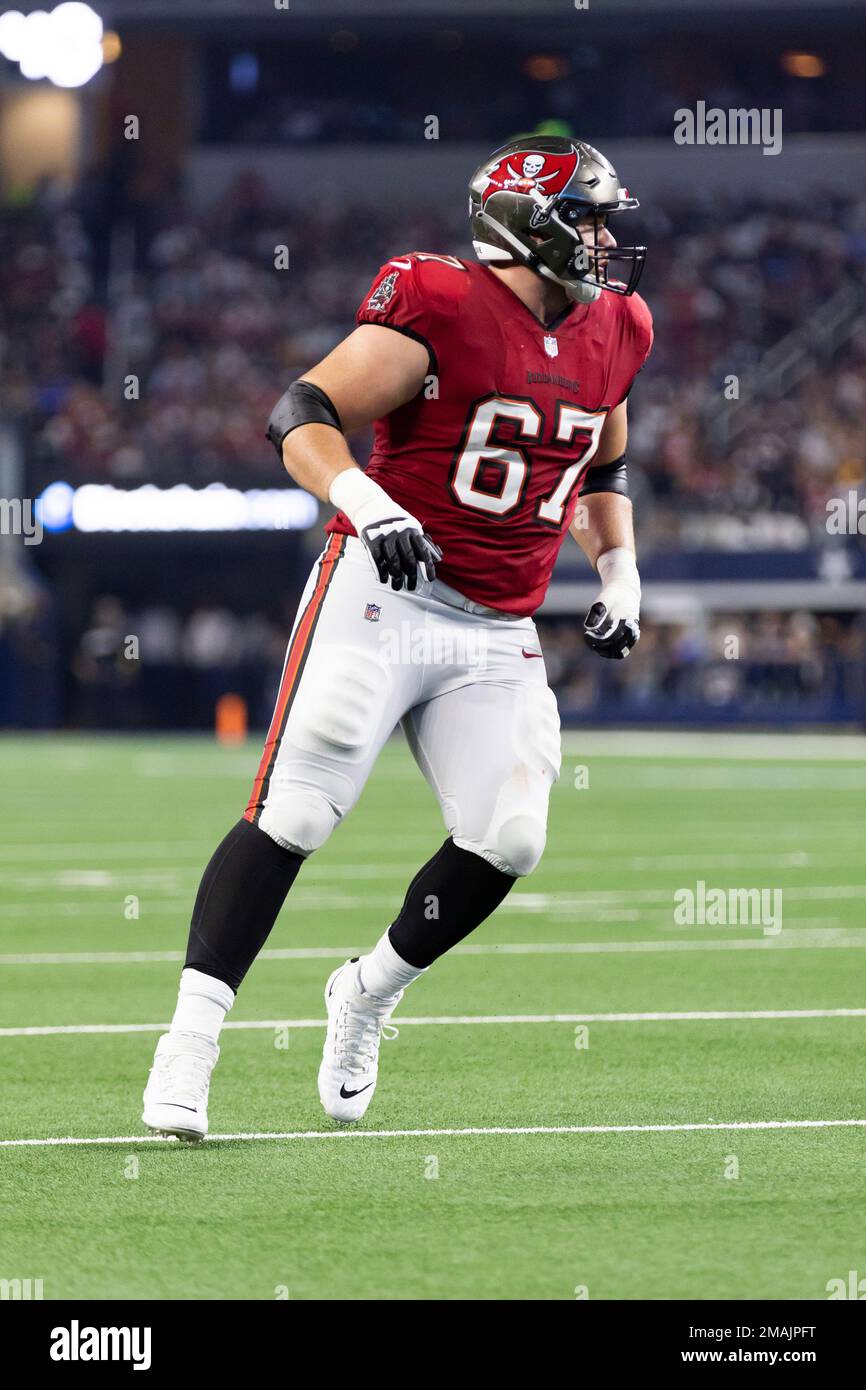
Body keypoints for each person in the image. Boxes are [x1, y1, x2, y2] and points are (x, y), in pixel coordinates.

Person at [142, 136, 652, 1139]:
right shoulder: (440, 300)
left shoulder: (618, 328)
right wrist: (366, 500)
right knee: (297, 807)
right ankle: (189, 1044)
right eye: (587, 219)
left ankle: (366, 991)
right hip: (383, 592)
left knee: (510, 834)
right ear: (528, 224)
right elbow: (301, 412)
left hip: (496, 623)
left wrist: (620, 572)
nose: (603, 241)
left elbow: (601, 470)